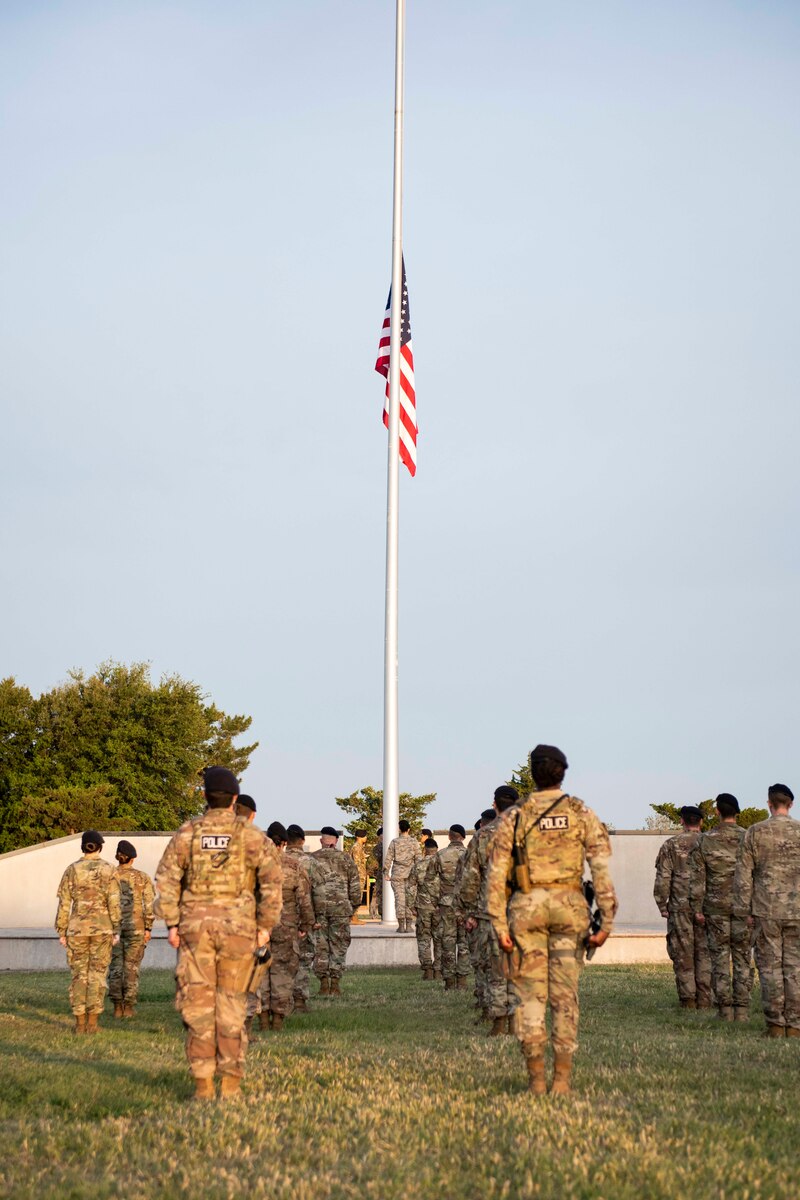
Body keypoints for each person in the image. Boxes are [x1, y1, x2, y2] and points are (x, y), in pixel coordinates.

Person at [486, 745, 616, 1096]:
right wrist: (606, 921)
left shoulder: (515, 816)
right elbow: (601, 868)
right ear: (563, 772)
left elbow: (497, 876)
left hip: (526, 910)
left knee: (530, 997)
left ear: (533, 773)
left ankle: (536, 1079)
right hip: (569, 908)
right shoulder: (579, 812)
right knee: (564, 997)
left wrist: (499, 926)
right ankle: (561, 1080)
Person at [154, 766, 283, 1101]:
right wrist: (265, 927)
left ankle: (202, 1085)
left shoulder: (188, 833)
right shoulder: (253, 836)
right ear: (235, 799)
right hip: (240, 930)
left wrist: (171, 923)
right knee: (232, 1004)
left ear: (204, 797)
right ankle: (230, 1085)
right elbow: (272, 882)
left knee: (197, 1006)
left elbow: (167, 879)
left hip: (195, 930)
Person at [734, 783, 800, 1037]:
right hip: (796, 910)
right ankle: (794, 1026)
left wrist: (744, 910)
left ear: (769, 804)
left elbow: (743, 875)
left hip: (766, 910)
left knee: (770, 968)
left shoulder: (754, 832)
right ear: (791, 804)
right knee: (794, 967)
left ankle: (775, 1025)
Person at [458, 788, 519, 1035]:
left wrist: (468, 911)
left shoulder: (484, 836)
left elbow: (470, 878)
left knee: (495, 968)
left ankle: (499, 1023)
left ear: (494, 805)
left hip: (491, 913)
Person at [689, 793, 751, 1021]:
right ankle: (742, 1011)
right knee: (743, 958)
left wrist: (696, 908)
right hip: (744, 909)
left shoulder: (705, 839)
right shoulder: (748, 838)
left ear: (717, 812)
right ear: (737, 812)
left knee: (720, 959)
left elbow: (698, 878)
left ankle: (725, 1011)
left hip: (715, 909)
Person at [55, 830, 121, 1034]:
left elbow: (65, 902)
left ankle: (79, 1024)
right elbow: (114, 902)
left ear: (83, 847)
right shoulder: (109, 869)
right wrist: (116, 929)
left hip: (77, 930)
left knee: (79, 975)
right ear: (100, 847)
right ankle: (92, 1023)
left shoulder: (72, 870)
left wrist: (62, 930)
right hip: (102, 929)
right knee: (97, 975)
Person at [255, 821, 313, 1031]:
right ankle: (277, 1019)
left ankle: (261, 1019)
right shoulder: (293, 866)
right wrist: (305, 923)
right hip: (286, 927)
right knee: (282, 972)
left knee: (260, 972)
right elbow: (304, 899)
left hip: (258, 927)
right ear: (285, 843)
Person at [654, 805, 714, 1010]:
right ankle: (706, 999)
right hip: (706, 907)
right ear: (701, 822)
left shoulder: (671, 845)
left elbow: (663, 877)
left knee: (683, 954)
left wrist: (662, 904)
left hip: (680, 908)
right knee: (705, 953)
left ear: (682, 821)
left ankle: (688, 1000)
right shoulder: (710, 843)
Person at [312, 826, 361, 996]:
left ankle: (323, 984)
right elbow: (355, 886)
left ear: (321, 840)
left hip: (318, 910)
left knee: (320, 947)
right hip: (341, 910)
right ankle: (335, 984)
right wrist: (353, 907)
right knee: (338, 947)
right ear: (336, 841)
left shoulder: (311, 859)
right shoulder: (346, 859)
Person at [108, 839, 155, 1019]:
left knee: (115, 968)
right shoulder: (142, 877)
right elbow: (149, 904)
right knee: (131, 968)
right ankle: (128, 1007)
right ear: (132, 859)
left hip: (114, 929)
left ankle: (117, 1007)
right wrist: (148, 928)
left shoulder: (109, 876)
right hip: (136, 928)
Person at [286, 824, 324, 1013]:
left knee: (280, 960)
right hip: (304, 917)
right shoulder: (310, 862)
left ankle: (281, 999)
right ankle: (299, 1001)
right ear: (302, 840)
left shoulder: (275, 861)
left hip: (280, 918)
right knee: (303, 959)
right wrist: (316, 918)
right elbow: (319, 891)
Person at [435, 824, 470, 990]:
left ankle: (449, 982)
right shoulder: (470, 855)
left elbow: (431, 879)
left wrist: (437, 900)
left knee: (448, 942)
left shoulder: (440, 854)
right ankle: (462, 981)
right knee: (464, 943)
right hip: (466, 903)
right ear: (463, 837)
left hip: (446, 903)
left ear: (449, 836)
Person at [407, 837, 442, 979]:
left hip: (423, 907)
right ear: (437, 849)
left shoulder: (419, 865)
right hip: (441, 907)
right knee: (439, 939)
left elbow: (410, 886)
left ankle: (427, 971)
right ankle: (439, 970)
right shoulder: (443, 864)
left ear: (425, 850)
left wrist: (411, 905)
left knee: (424, 938)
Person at [384, 819, 422, 932]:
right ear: (409, 829)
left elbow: (388, 858)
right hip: (411, 875)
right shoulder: (414, 842)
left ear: (399, 829)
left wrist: (386, 872)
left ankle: (401, 926)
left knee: (399, 899)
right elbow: (419, 859)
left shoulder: (395, 842)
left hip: (397, 874)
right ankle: (409, 925)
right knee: (410, 899)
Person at [347, 829, 369, 920]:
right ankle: (353, 916)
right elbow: (356, 863)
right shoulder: (357, 847)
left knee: (357, 895)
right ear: (361, 837)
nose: (366, 838)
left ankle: (354, 916)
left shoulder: (359, 846)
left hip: (360, 875)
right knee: (356, 895)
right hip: (358, 875)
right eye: (365, 836)